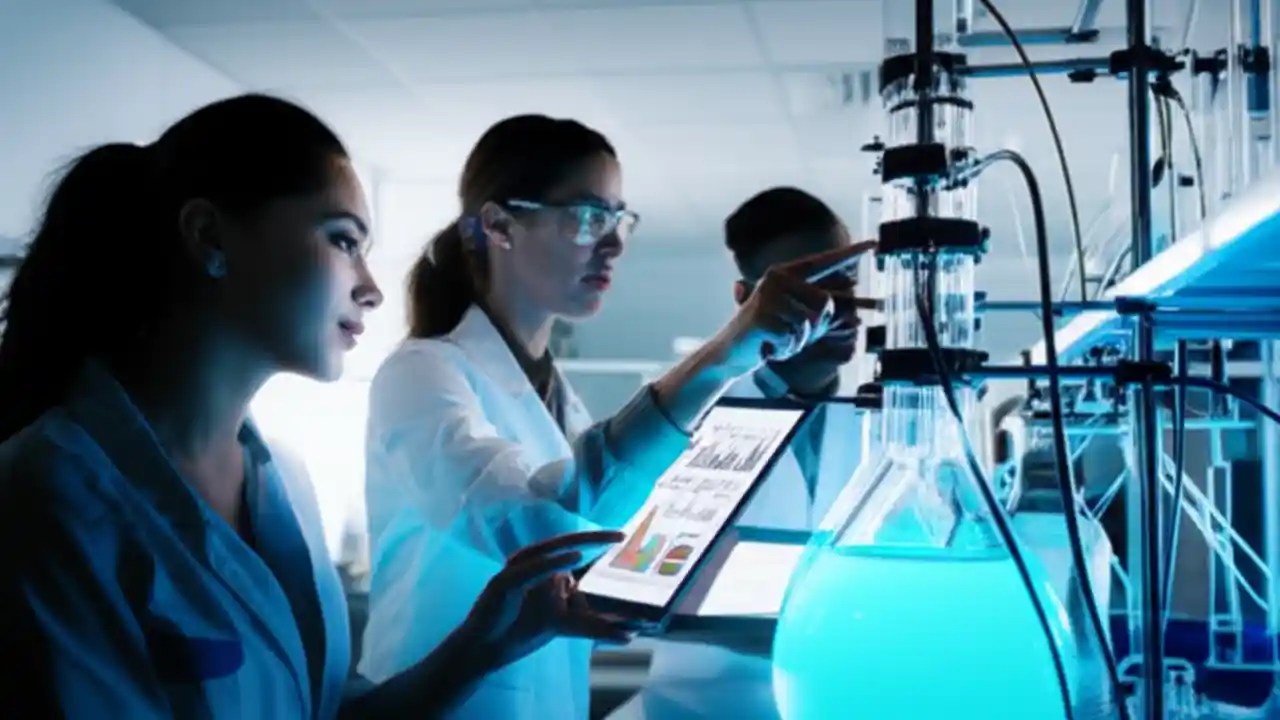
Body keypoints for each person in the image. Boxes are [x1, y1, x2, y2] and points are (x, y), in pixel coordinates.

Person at [0, 94, 632, 719]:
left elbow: (327, 714)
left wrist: (483, 647)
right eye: (342, 240)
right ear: (210, 237)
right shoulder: (53, 495)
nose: (372, 289)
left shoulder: (285, 484)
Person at [359, 117, 873, 718]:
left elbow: (590, 567)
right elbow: (540, 533)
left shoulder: (563, 405)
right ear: (498, 226)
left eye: (618, 218)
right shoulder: (421, 373)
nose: (614, 243)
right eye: (586, 217)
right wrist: (725, 353)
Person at [637, 187, 875, 720]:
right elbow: (640, 587)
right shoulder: (684, 421)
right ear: (748, 300)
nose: (841, 306)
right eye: (814, 287)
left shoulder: (882, 427)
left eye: (848, 281)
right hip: (703, 706)